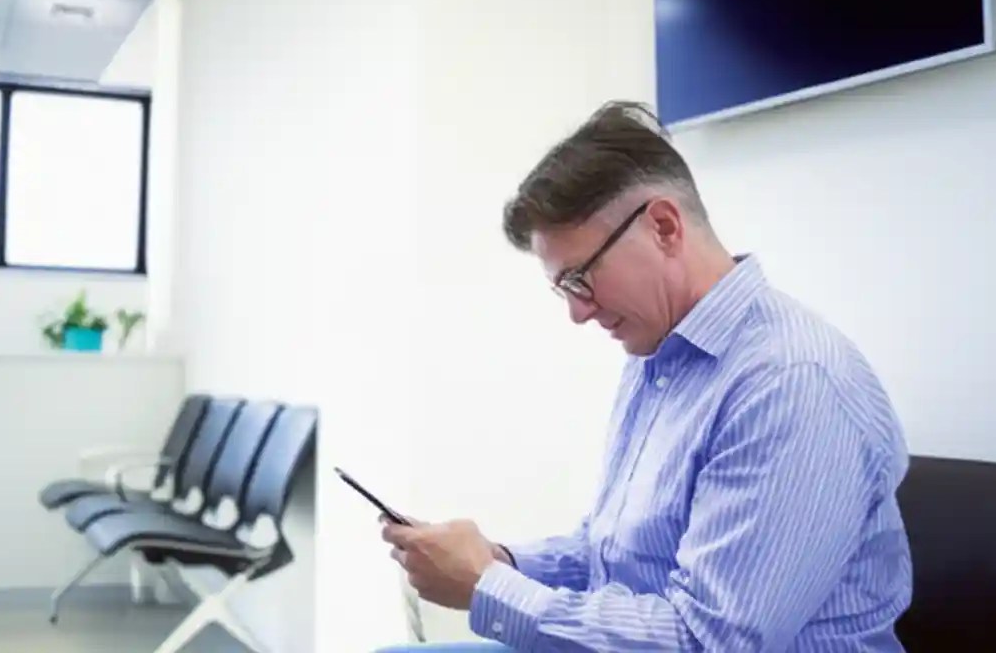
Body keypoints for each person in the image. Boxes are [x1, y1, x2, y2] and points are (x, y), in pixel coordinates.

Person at [378, 101, 912, 652]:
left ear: (663, 226)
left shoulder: (790, 384)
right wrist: (502, 562)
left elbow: (706, 643)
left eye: (580, 279)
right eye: (563, 288)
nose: (577, 312)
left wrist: (488, 587)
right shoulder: (656, 358)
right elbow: (607, 553)